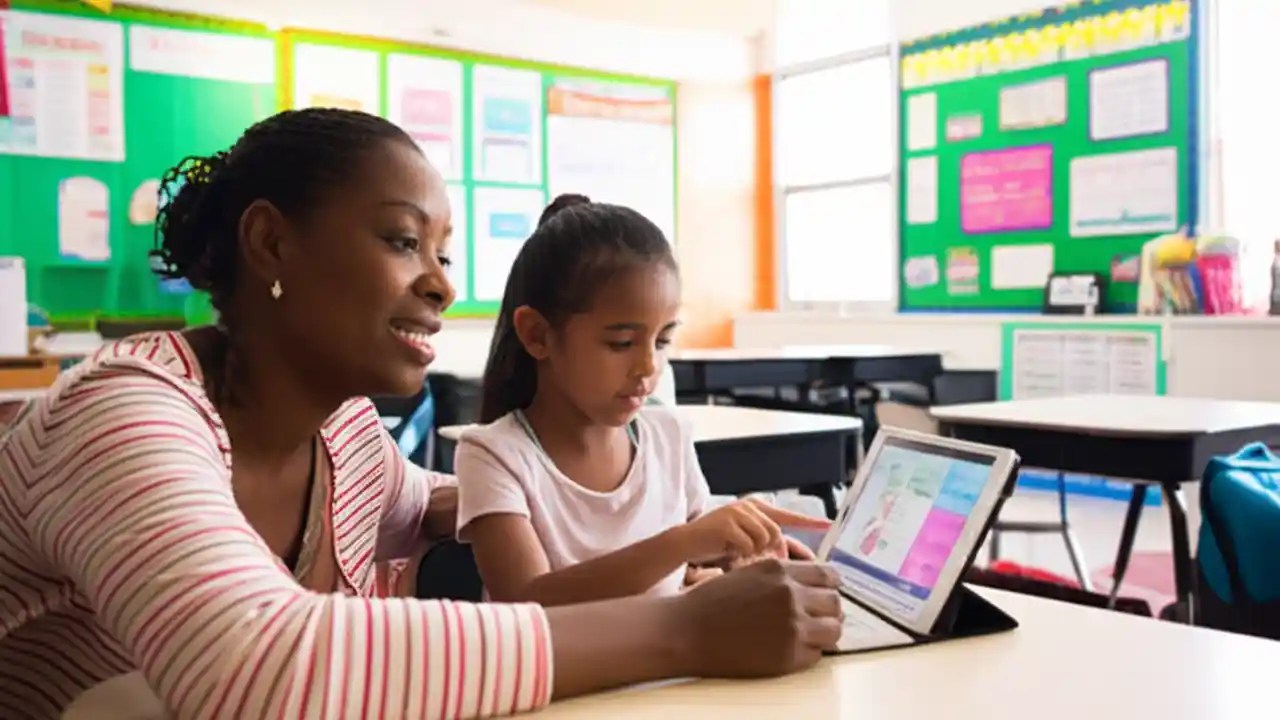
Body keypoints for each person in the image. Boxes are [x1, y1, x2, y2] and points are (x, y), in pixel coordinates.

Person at [0, 108, 843, 720]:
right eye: (404, 242)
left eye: (442, 252)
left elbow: (453, 502)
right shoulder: (126, 412)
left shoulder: (342, 435)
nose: (442, 284)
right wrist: (682, 630)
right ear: (271, 244)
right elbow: (257, 664)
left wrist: (677, 518)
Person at [455, 195, 831, 606]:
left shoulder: (669, 435)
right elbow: (527, 600)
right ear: (537, 335)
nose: (649, 366)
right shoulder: (494, 455)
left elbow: (692, 564)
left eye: (663, 340)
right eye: (622, 343)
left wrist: (739, 556)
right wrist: (683, 543)